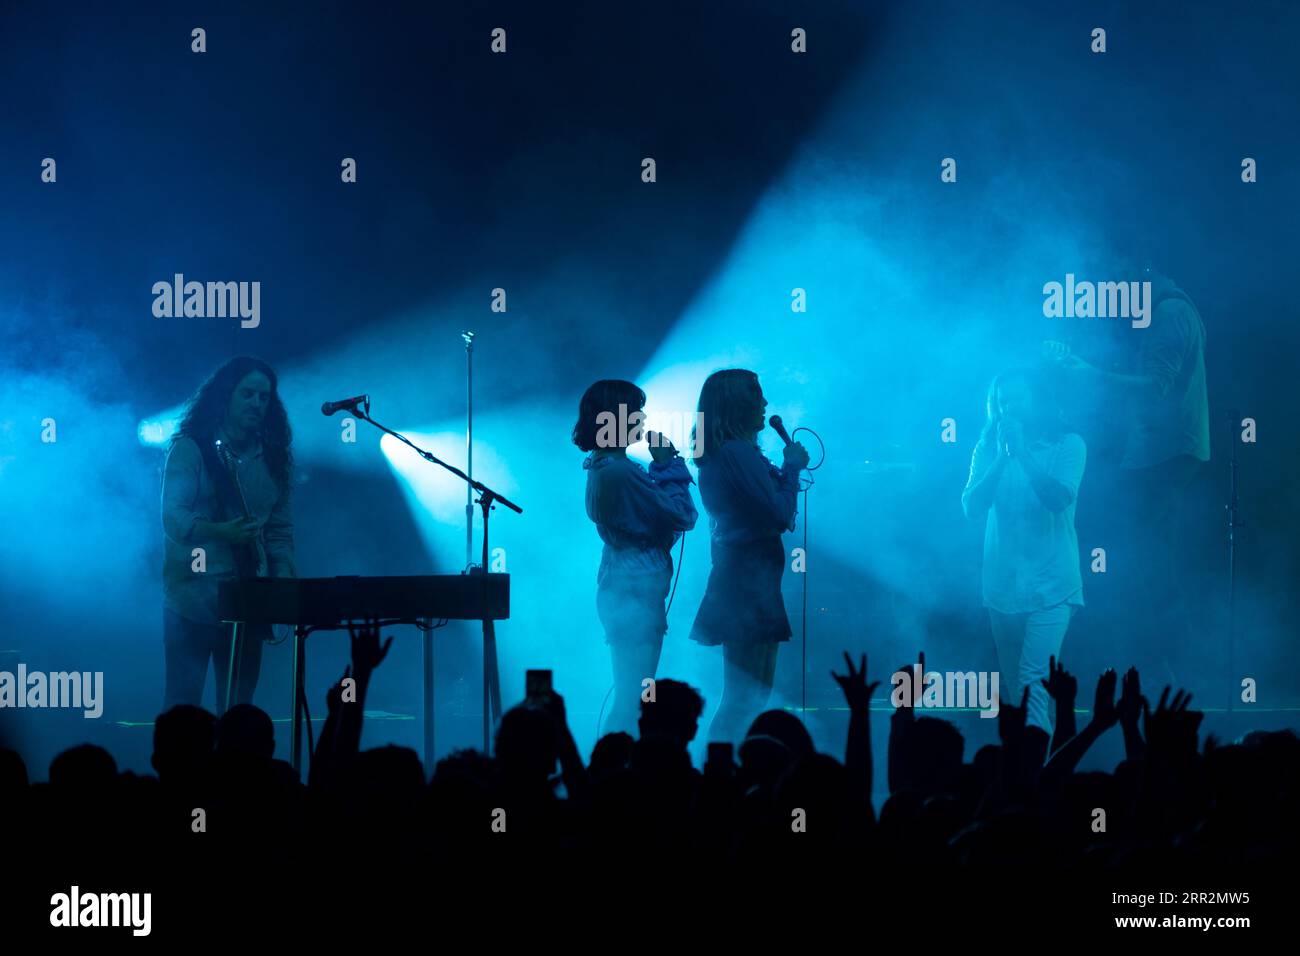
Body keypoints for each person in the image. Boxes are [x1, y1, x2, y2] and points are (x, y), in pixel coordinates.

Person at [1045, 264, 1210, 683]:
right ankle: (1165, 661)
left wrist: (1094, 374)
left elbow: (1157, 386)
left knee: (1147, 560)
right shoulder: (1177, 308)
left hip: (1162, 452)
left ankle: (1165, 660)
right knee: (1150, 556)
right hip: (1163, 451)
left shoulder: (1168, 313)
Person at [161, 356, 296, 712]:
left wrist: (282, 576)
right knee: (182, 709)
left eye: (264, 397)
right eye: (248, 393)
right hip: (191, 600)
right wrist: (222, 532)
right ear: (227, 396)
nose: (256, 403)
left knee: (238, 710)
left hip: (249, 599)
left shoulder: (274, 459)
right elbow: (173, 519)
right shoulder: (191, 449)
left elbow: (279, 530)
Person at [961, 366, 1086, 734]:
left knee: (1035, 686)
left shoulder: (1068, 444)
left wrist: (1023, 455)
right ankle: (1027, 774)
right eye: (1002, 402)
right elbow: (971, 507)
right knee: (1015, 692)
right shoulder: (986, 448)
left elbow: (1057, 499)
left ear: (1038, 401)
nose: (1010, 408)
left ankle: (1034, 782)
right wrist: (1002, 457)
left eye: (1018, 398)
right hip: (1001, 586)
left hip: (1052, 585)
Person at [688, 369, 809, 743]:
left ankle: (725, 773)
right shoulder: (735, 453)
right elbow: (778, 515)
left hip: (745, 577)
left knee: (748, 697)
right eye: (758, 395)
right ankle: (721, 776)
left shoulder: (726, 453)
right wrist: (790, 469)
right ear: (739, 404)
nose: (766, 403)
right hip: (746, 582)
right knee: (745, 698)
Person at [574, 379, 698, 737]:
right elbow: (682, 516)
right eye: (636, 410)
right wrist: (669, 465)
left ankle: (612, 770)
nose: (643, 417)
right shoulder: (620, 471)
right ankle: (617, 775)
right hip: (636, 592)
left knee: (634, 695)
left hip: (622, 586)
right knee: (638, 698)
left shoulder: (603, 466)